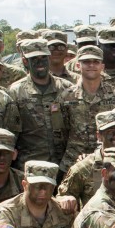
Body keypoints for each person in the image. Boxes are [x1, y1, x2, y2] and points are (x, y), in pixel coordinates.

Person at [61, 44, 115, 168]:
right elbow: (60, 133)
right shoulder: (65, 97)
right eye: (86, 62)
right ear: (78, 66)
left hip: (109, 163)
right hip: (73, 162)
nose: (91, 65)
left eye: (96, 62)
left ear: (102, 66)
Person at [8, 38, 74, 168]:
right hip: (30, 165)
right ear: (25, 61)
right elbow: (11, 132)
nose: (40, 63)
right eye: (34, 59)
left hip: (63, 164)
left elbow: (75, 127)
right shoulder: (16, 92)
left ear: (49, 58)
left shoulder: (67, 88)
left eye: (43, 58)